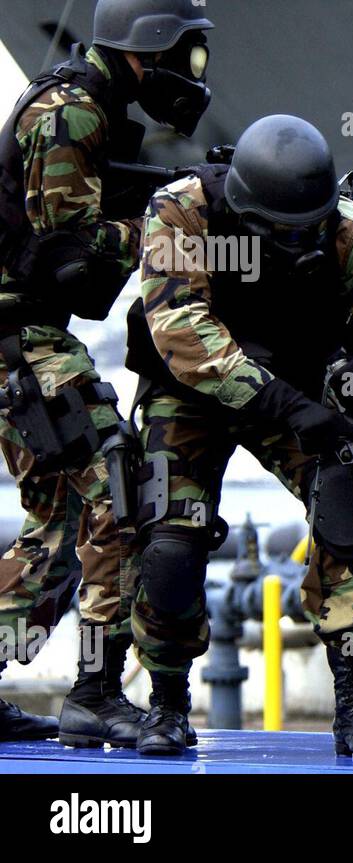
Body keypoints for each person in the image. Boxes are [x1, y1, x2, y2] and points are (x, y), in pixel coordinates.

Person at [124, 115, 353, 756]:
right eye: (278, 230)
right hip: (192, 390)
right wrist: (283, 403)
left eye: (306, 227)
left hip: (303, 396)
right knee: (171, 538)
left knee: (345, 505)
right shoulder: (184, 211)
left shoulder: (352, 232)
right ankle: (165, 703)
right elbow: (180, 328)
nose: (294, 239)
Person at [0, 0, 213, 748]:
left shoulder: (90, 106)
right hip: (19, 338)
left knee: (59, 527)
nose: (194, 70)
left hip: (24, 338)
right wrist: (164, 217)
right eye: (186, 51)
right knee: (120, 489)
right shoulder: (71, 113)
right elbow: (74, 264)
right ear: (145, 48)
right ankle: (94, 690)